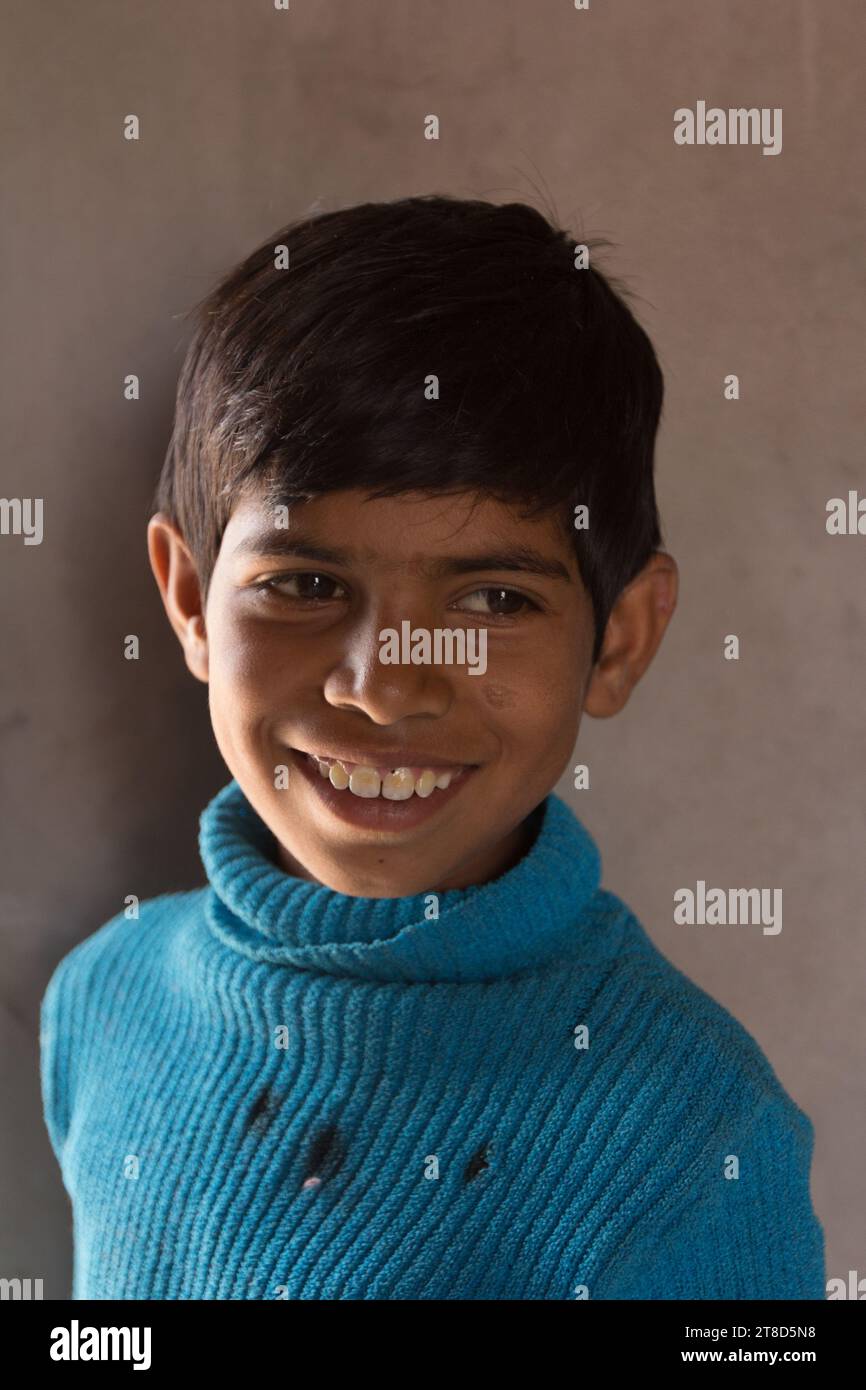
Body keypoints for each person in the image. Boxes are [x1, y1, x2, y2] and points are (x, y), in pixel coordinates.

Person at [39, 195, 825, 1299]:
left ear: (620, 639)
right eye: (306, 585)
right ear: (187, 599)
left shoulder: (692, 1140)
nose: (380, 685)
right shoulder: (104, 998)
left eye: (493, 598)